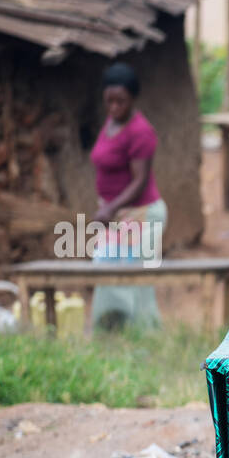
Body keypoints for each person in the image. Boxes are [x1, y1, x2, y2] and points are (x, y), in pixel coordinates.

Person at [89, 62, 165, 330]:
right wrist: (108, 209)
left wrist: (110, 208)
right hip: (116, 216)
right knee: (105, 272)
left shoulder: (141, 132)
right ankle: (109, 334)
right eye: (109, 101)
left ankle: (146, 337)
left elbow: (140, 180)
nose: (113, 107)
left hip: (141, 215)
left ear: (133, 98)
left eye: (120, 101)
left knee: (136, 281)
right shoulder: (110, 124)